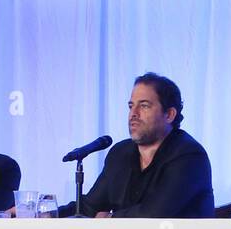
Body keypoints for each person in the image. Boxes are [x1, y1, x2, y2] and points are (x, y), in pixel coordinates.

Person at [59, 73, 214, 218]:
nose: (134, 113)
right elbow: (89, 206)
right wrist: (50, 214)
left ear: (169, 114)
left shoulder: (189, 156)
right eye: (131, 106)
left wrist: (110, 218)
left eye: (144, 105)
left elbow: (156, 213)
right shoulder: (120, 153)